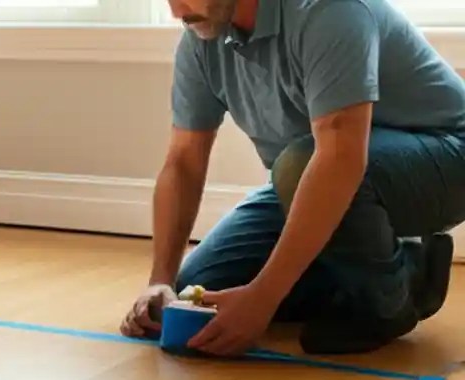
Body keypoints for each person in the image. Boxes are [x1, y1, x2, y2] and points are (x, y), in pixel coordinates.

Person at [121, 0, 465, 355]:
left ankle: (389, 300)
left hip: (448, 159)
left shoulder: (330, 11)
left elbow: (340, 156)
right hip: (317, 172)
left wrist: (264, 297)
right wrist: (159, 281)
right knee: (199, 288)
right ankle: (395, 269)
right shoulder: (201, 39)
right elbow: (184, 162)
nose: (176, 11)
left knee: (298, 165)